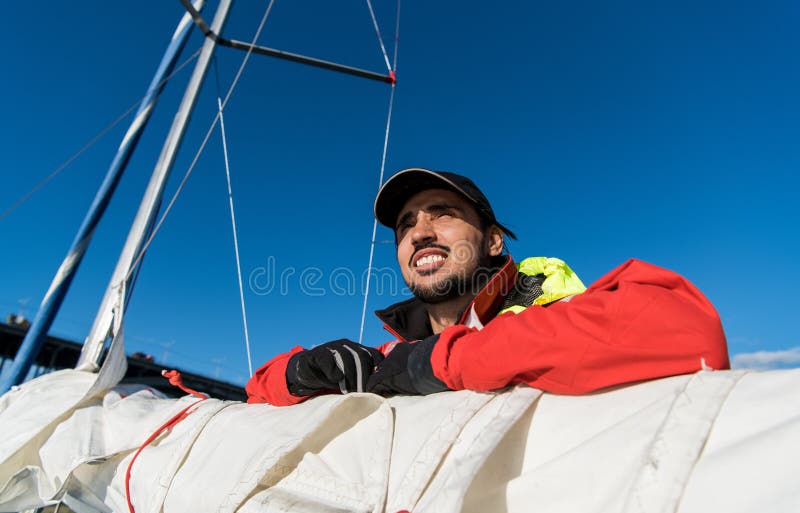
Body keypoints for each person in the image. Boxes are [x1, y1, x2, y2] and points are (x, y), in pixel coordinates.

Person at [246, 168, 729, 406]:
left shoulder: (548, 306)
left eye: (444, 214)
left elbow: (684, 331)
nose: (419, 232)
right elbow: (253, 398)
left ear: (494, 240)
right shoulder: (391, 357)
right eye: (405, 225)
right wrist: (296, 373)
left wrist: (434, 363)